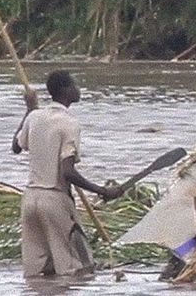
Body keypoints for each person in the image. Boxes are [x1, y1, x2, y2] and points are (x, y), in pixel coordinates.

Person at [12, 70, 122, 278]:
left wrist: (29, 110)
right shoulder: (69, 123)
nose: (77, 89)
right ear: (65, 90)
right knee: (75, 269)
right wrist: (102, 191)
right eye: (74, 85)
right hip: (54, 199)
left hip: (30, 200)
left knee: (36, 272)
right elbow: (68, 172)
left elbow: (16, 147)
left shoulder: (34, 117)